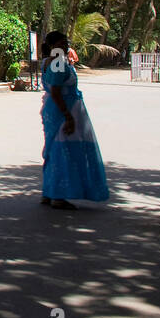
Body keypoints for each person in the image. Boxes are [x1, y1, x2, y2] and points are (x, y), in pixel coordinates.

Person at [40, 30, 109, 210]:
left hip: (56, 110)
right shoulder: (58, 63)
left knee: (54, 149)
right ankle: (58, 195)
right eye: (61, 43)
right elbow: (56, 91)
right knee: (64, 150)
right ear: (51, 46)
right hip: (64, 109)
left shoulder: (49, 62)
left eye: (66, 43)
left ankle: (50, 192)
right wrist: (68, 116)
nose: (65, 46)